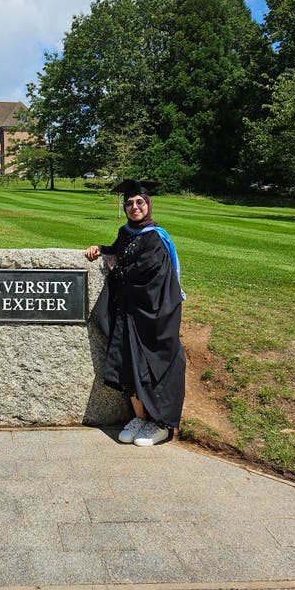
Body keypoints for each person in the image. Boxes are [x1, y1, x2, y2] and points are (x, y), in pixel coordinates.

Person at [85, 179, 185, 446]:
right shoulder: (127, 231)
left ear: (148, 204)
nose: (134, 207)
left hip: (154, 314)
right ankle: (140, 417)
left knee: (152, 365)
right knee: (129, 363)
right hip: (131, 312)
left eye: (139, 202)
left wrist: (116, 268)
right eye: (129, 203)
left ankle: (160, 424)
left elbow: (144, 272)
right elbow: (120, 252)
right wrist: (102, 250)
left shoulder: (155, 237)